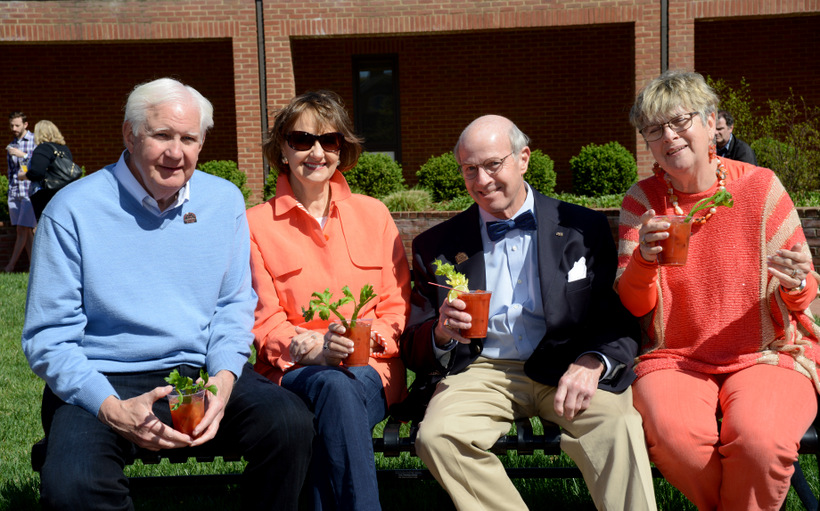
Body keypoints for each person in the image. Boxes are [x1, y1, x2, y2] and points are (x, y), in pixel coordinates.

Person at [21, 77, 314, 511]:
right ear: (130, 134)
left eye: (189, 138)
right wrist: (110, 408)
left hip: (198, 372)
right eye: (162, 135)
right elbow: (48, 338)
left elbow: (233, 306)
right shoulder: (72, 210)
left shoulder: (223, 201)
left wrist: (224, 379)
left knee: (290, 425)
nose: (176, 152)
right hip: (103, 376)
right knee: (73, 485)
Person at [399, 114, 656, 511]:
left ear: (523, 159)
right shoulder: (437, 244)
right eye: (470, 169)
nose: (481, 180)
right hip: (482, 368)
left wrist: (594, 360)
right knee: (437, 436)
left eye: (492, 165)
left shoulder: (581, 227)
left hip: (567, 362)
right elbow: (413, 341)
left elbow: (615, 315)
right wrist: (442, 334)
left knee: (618, 426)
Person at [618, 70, 819, 511]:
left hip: (767, 349)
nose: (668, 137)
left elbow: (804, 292)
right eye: (653, 130)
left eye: (679, 122)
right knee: (675, 439)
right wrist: (643, 262)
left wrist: (798, 282)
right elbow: (635, 304)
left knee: (760, 443)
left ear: (711, 122)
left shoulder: (760, 186)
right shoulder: (642, 202)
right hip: (676, 357)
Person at [247, 90, 411, 511]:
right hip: (296, 372)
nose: (316, 152)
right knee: (333, 389)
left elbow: (396, 306)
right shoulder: (255, 225)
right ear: (282, 149)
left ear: (343, 149)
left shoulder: (374, 215)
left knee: (337, 396)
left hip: (371, 369)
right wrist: (311, 349)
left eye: (330, 140)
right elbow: (265, 322)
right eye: (302, 140)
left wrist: (363, 338)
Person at [21, 120, 73, 220]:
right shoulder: (64, 149)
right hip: (64, 192)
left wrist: (23, 175)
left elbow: (37, 172)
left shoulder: (42, 149)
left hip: (45, 194)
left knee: (44, 225)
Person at [5, 111, 36, 272]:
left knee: (22, 229)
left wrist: (22, 155)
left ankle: (10, 266)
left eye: (17, 125)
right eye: (11, 125)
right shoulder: (12, 144)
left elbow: (38, 162)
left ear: (25, 124)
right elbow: (11, 171)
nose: (14, 128)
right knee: (25, 229)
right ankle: (33, 266)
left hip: (29, 191)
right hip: (15, 191)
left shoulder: (34, 140)